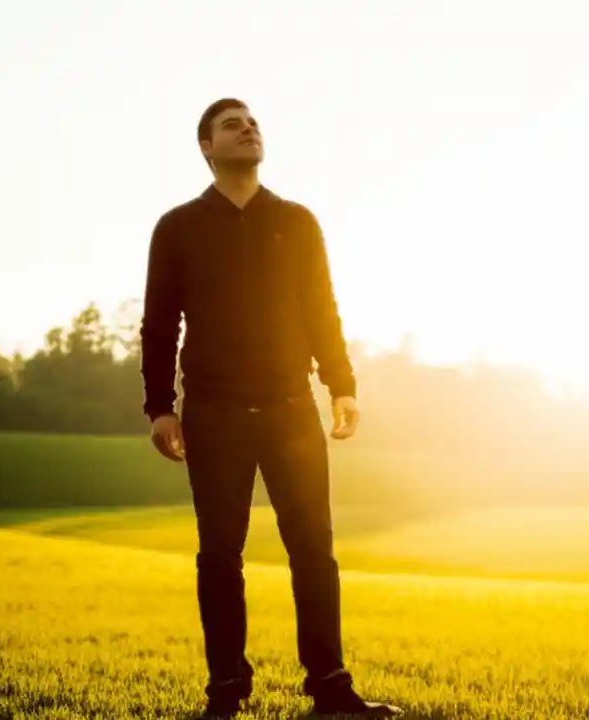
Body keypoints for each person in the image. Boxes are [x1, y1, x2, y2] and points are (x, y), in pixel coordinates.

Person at [139, 97, 402, 718]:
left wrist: (342, 385)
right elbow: (159, 325)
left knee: (314, 550)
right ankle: (226, 691)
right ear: (206, 147)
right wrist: (159, 406)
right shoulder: (177, 227)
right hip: (214, 413)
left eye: (253, 122)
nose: (248, 129)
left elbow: (321, 311)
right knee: (220, 555)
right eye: (231, 125)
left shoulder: (298, 221)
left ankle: (331, 688)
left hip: (291, 410)